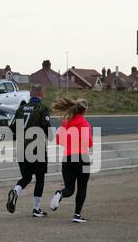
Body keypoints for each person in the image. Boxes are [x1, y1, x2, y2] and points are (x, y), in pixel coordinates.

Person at [6, 85, 51, 218]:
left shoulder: (20, 109)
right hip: (36, 148)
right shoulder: (42, 108)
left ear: (30, 95)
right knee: (40, 177)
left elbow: (12, 127)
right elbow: (47, 128)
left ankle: (16, 190)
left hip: (22, 147)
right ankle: (36, 209)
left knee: (26, 177)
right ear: (41, 95)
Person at [50, 97, 93, 223]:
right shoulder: (84, 123)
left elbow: (59, 140)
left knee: (69, 189)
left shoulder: (66, 122)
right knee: (82, 187)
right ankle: (77, 215)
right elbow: (88, 143)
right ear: (84, 111)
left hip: (67, 158)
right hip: (81, 158)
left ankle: (60, 194)